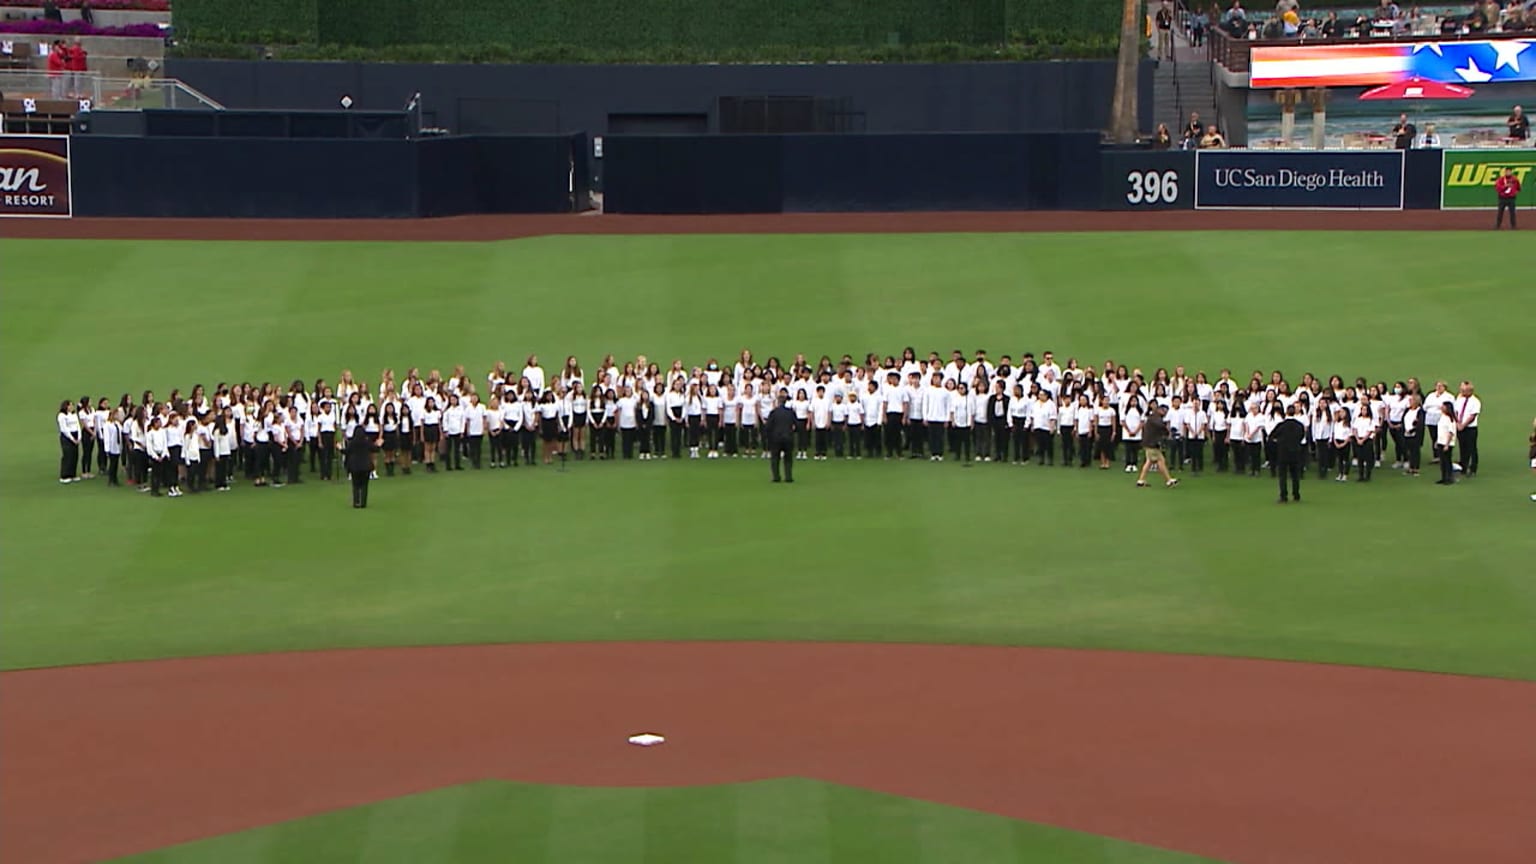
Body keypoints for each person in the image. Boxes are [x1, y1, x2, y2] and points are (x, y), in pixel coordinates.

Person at [1135, 403, 1180, 488]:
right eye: (1164, 411)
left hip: (1149, 443)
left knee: (1149, 462)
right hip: (1152, 443)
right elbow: (1161, 427)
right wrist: (1168, 432)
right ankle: (1168, 480)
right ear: (1159, 409)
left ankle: (1141, 480)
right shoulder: (1155, 418)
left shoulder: (1154, 417)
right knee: (1161, 461)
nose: (1165, 413)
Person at [1271, 404, 1307, 503]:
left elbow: (1272, 436)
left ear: (1286, 412)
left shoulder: (1281, 425)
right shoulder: (1299, 425)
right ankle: (1296, 495)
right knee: (1295, 475)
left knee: (1282, 475)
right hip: (1295, 452)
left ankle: (1284, 496)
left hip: (1283, 453)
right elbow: (1302, 436)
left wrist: (1279, 442)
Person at [764, 393, 796, 483]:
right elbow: (796, 425)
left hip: (776, 438)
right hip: (788, 437)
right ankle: (788, 476)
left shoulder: (773, 413)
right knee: (788, 458)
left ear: (778, 402)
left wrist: (768, 437)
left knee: (775, 458)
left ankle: (776, 477)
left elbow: (768, 426)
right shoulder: (790, 412)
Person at [345, 423, 376, 508]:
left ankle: (356, 502)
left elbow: (346, 451)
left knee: (355, 485)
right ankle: (363, 503)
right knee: (364, 486)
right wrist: (378, 444)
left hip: (355, 466)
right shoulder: (367, 441)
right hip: (366, 466)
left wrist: (340, 448)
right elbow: (374, 449)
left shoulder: (352, 442)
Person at [1453, 381, 1480, 476]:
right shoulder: (1459, 399)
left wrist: (1463, 425)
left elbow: (1472, 416)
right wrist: (1457, 422)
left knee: (1472, 448)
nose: (1462, 392)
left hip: (1470, 428)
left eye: (1464, 390)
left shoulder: (1475, 401)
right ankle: (1463, 466)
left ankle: (1473, 468)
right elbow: (1455, 411)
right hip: (1460, 426)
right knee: (1462, 447)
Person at [1434, 403, 1457, 484]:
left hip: (1447, 443)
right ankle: (1443, 477)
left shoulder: (1450, 420)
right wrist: (1437, 440)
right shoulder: (1442, 417)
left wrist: (1447, 444)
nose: (1441, 408)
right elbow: (1440, 430)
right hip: (1441, 441)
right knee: (1442, 461)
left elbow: (1451, 432)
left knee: (1447, 461)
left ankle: (1449, 478)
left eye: (1443, 407)